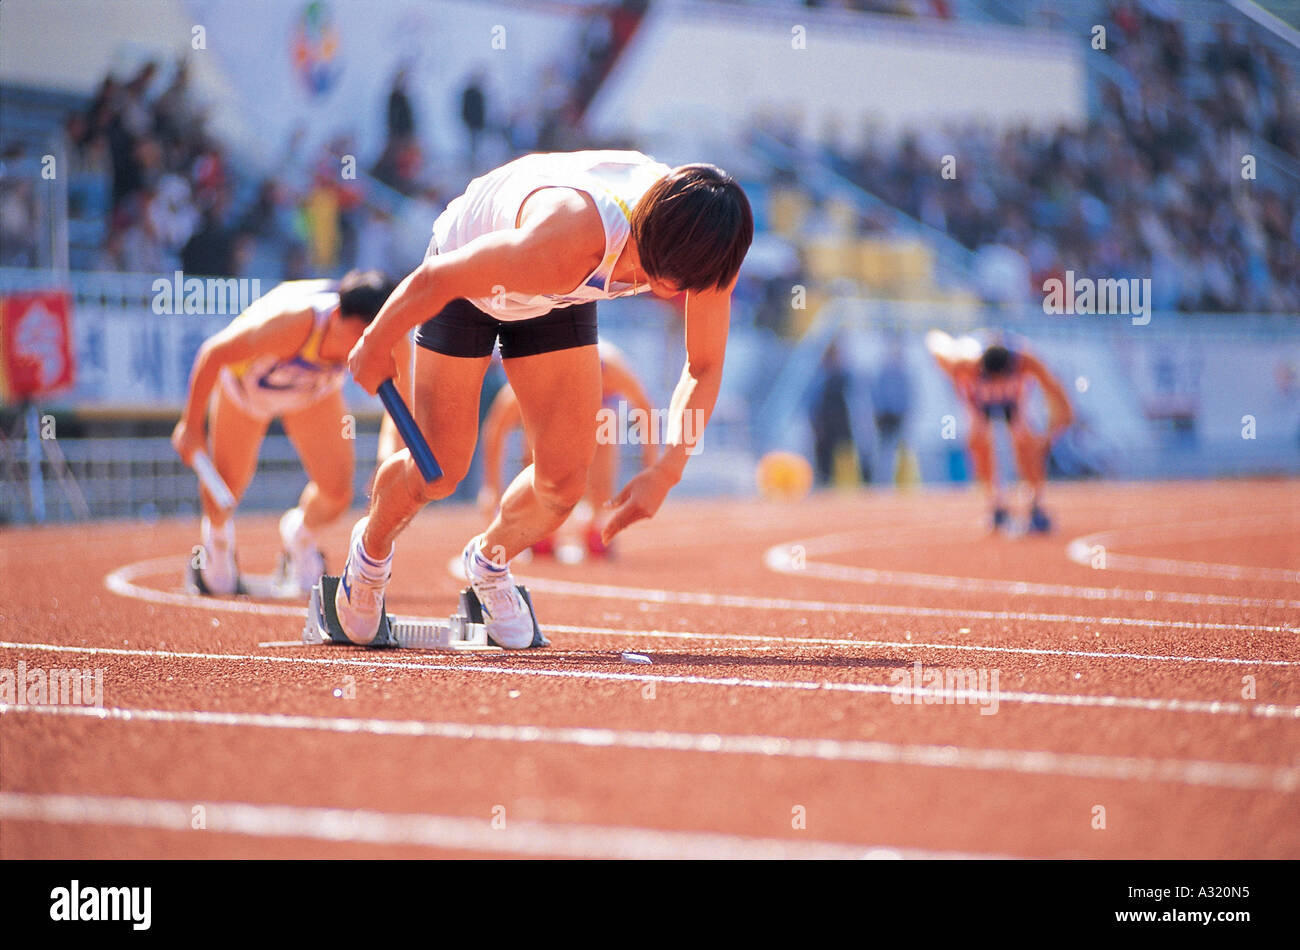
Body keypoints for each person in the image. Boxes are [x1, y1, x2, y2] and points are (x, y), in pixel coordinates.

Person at [338, 151, 753, 647]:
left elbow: (703, 364)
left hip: (557, 295)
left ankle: (488, 560)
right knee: (441, 469)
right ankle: (368, 554)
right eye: (664, 278)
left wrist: (666, 472)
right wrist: (376, 342)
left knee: (563, 483)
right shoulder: (567, 238)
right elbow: (436, 279)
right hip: (471, 278)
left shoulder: (707, 244)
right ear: (651, 235)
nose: (673, 292)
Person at [171, 270, 409, 595]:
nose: (368, 347)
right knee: (225, 491)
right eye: (360, 335)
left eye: (377, 336)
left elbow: (401, 402)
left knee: (337, 494)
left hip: (312, 393)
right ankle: (216, 544)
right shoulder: (295, 323)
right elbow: (214, 353)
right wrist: (192, 426)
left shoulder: (392, 335)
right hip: (246, 391)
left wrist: (389, 458)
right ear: (338, 316)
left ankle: (298, 535)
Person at [479, 340, 656, 559]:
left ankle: (595, 521)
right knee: (537, 448)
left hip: (599, 406)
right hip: (555, 400)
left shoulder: (611, 370)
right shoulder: (538, 378)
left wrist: (651, 470)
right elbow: (497, 427)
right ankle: (539, 520)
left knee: (603, 437)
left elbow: (645, 410)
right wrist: (491, 489)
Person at [927, 330, 1073, 532]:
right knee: (978, 443)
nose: (997, 383)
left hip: (1014, 401)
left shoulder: (1027, 361)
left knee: (1026, 443)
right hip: (978, 400)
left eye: (1000, 379)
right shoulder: (964, 363)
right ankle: (996, 503)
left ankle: (1035, 503)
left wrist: (1048, 437)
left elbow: (1060, 400)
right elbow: (936, 343)